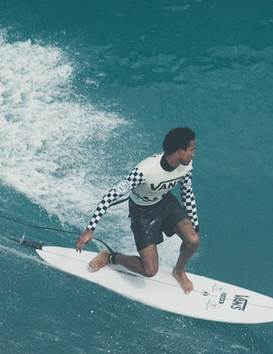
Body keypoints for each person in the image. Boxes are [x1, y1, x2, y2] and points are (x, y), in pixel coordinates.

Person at [77, 126, 202, 293]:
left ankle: (178, 271)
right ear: (179, 151)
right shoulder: (145, 171)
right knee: (149, 270)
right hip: (142, 212)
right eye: (191, 150)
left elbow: (187, 195)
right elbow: (110, 195)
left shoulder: (186, 165)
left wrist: (195, 226)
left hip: (165, 203)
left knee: (193, 241)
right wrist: (89, 229)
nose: (193, 154)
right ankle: (109, 257)